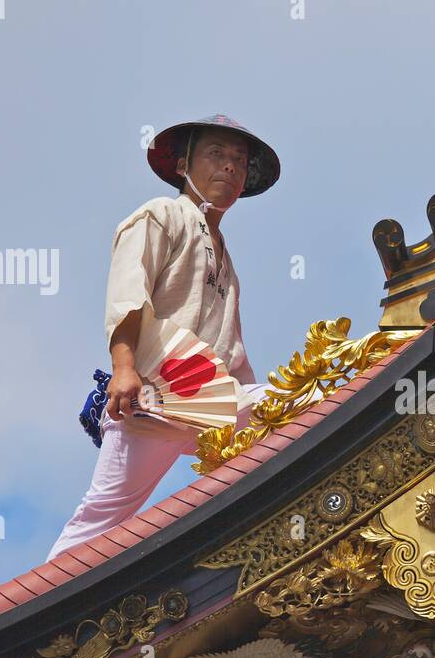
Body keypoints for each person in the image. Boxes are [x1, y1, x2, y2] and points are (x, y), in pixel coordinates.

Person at [47, 115, 280, 561]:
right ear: (182, 165)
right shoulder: (162, 215)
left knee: (288, 407)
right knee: (101, 519)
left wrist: (248, 396)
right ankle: (34, 614)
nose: (230, 167)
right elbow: (127, 294)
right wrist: (123, 369)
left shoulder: (226, 259)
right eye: (216, 154)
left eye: (239, 161)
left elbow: (230, 350)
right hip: (152, 396)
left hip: (209, 398)